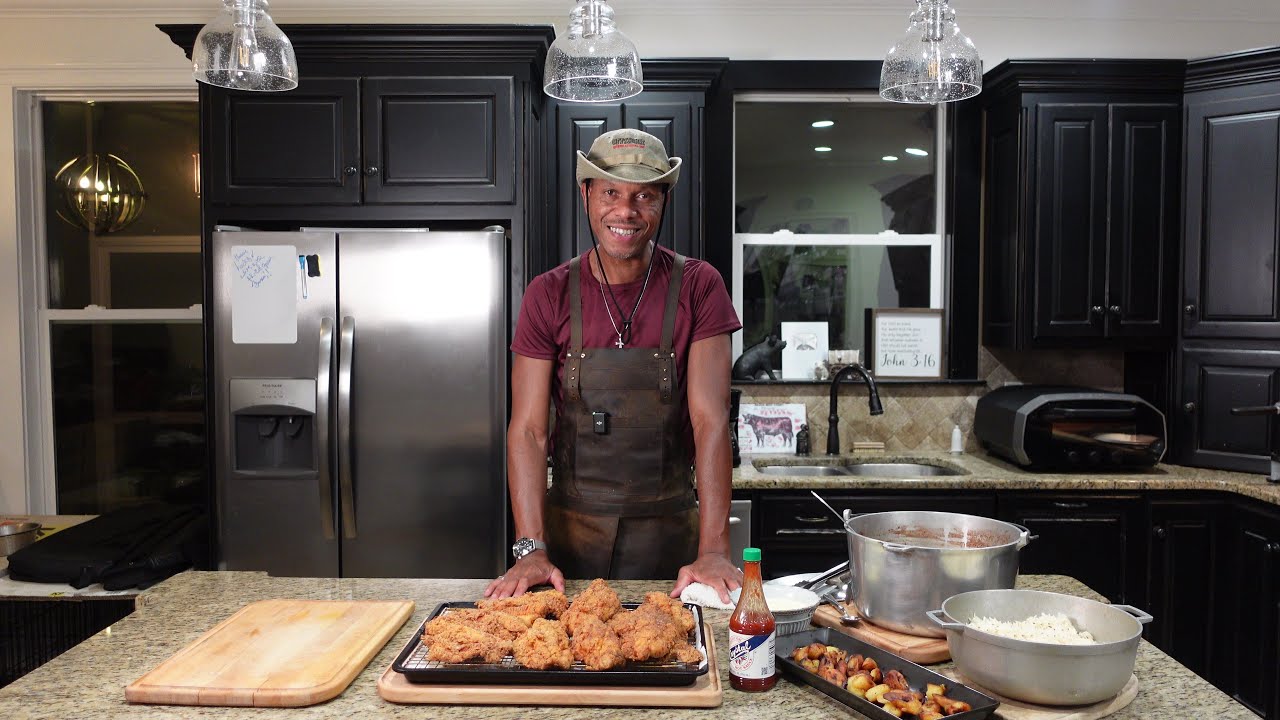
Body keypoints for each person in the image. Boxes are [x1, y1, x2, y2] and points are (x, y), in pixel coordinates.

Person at [484, 129, 743, 603]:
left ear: (663, 201)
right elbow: (527, 431)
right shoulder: (548, 293)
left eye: (645, 195)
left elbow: (711, 421)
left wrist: (714, 549)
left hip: (674, 546)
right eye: (610, 193)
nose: (626, 212)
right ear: (586, 195)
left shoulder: (700, 286)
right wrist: (531, 549)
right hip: (566, 547)